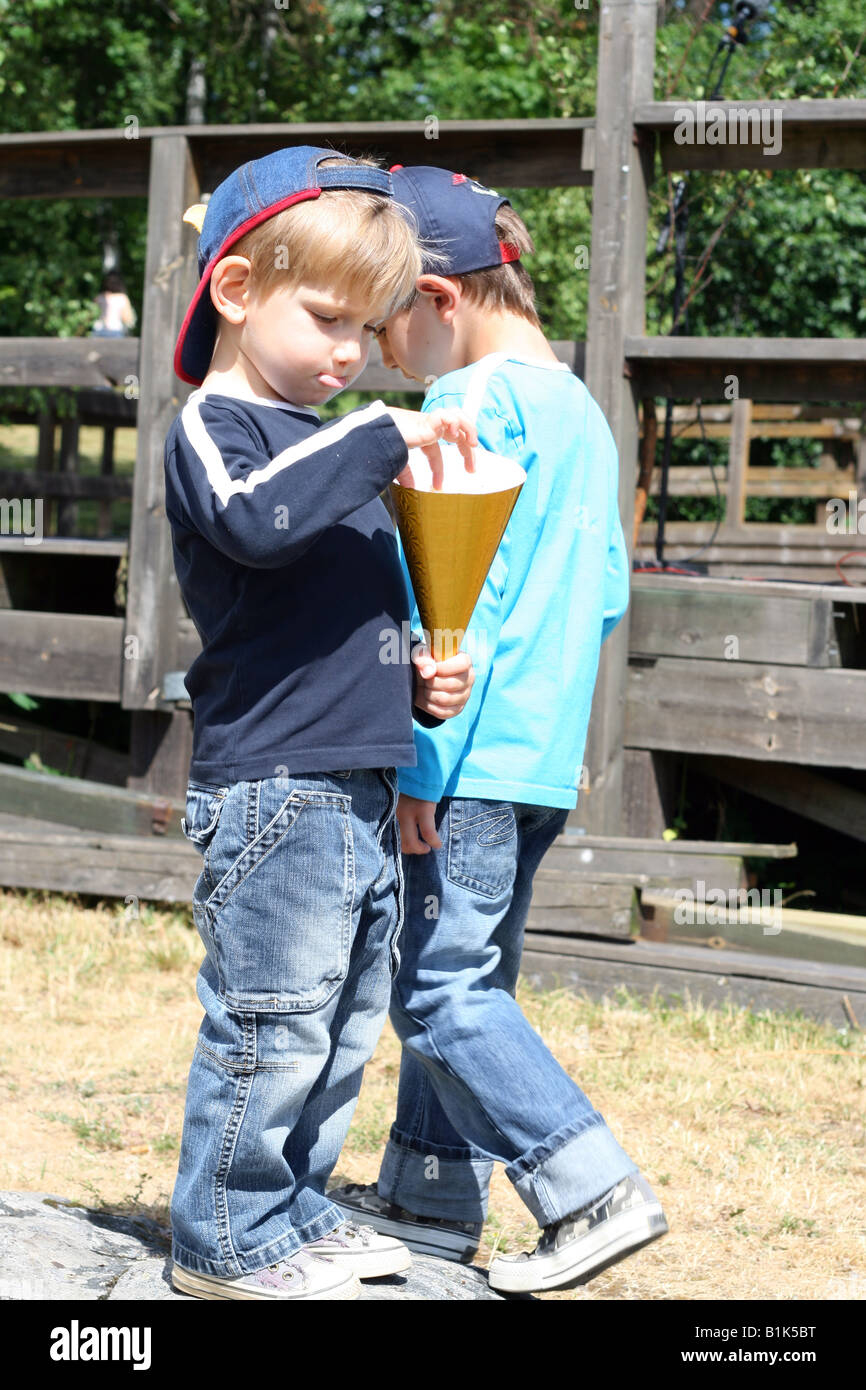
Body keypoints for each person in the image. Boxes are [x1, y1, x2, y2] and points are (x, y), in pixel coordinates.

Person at [332, 166, 669, 1295]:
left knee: (433, 986)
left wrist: (419, 761)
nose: (377, 351)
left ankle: (590, 1187)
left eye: (380, 319)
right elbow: (607, 591)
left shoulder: (463, 408)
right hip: (538, 756)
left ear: (437, 295)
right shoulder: (578, 408)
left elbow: (446, 606)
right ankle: (431, 1195)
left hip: (463, 754)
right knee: (466, 972)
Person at [163, 146, 480, 1300]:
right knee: (271, 1015)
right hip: (276, 785)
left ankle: (293, 1206)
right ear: (238, 294)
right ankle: (225, 1233)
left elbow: (351, 611)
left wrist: (411, 688)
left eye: (371, 328)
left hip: (353, 780)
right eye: (329, 319)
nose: (351, 353)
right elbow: (256, 528)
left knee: (344, 1025)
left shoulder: (333, 447)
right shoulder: (221, 430)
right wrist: (375, 436)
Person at [90, 271, 136, 337]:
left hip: (99, 330)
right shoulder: (122, 298)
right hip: (116, 331)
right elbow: (126, 318)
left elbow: (91, 316)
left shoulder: (99, 297)